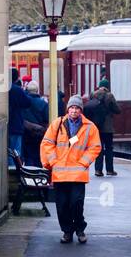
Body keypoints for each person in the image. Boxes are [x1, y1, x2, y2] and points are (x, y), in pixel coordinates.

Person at [40, 94, 102, 244]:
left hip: (77, 174)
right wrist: (54, 161)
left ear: (81, 110)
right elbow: (46, 143)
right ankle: (67, 231)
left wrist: (83, 162)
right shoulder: (57, 124)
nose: (74, 111)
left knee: (76, 203)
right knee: (62, 206)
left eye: (77, 108)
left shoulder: (90, 127)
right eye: (72, 107)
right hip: (60, 173)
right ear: (68, 109)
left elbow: (95, 147)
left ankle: (80, 229)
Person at [85, 78, 120, 177]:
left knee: (98, 148)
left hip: (96, 126)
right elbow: (117, 110)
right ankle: (109, 170)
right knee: (109, 148)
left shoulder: (93, 94)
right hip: (107, 127)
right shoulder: (109, 96)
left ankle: (98, 170)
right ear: (107, 86)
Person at [20, 80, 49, 166]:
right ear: (37, 90)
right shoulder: (43, 103)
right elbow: (46, 118)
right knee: (38, 155)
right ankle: (38, 174)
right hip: (39, 133)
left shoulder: (24, 103)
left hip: (26, 131)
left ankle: (29, 174)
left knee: (28, 155)